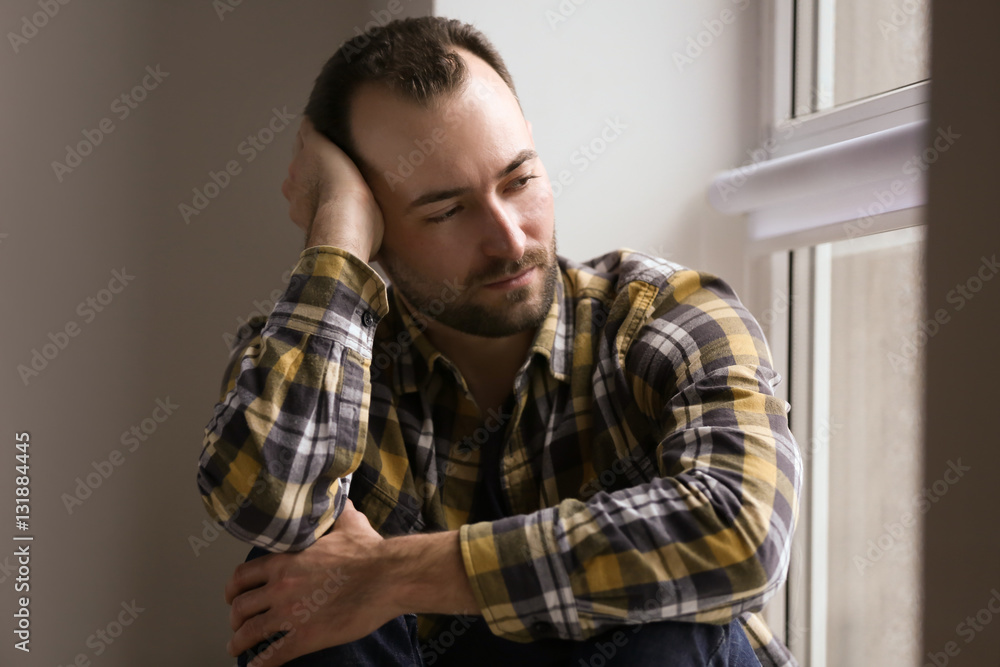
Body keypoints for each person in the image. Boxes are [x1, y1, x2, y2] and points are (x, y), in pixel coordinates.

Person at [196, 16, 802, 667]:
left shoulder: (668, 314)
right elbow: (269, 508)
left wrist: (390, 572)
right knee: (303, 582)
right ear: (378, 224)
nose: (510, 239)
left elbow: (742, 534)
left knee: (666, 615)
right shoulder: (318, 353)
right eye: (447, 210)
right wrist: (337, 229)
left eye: (519, 180)